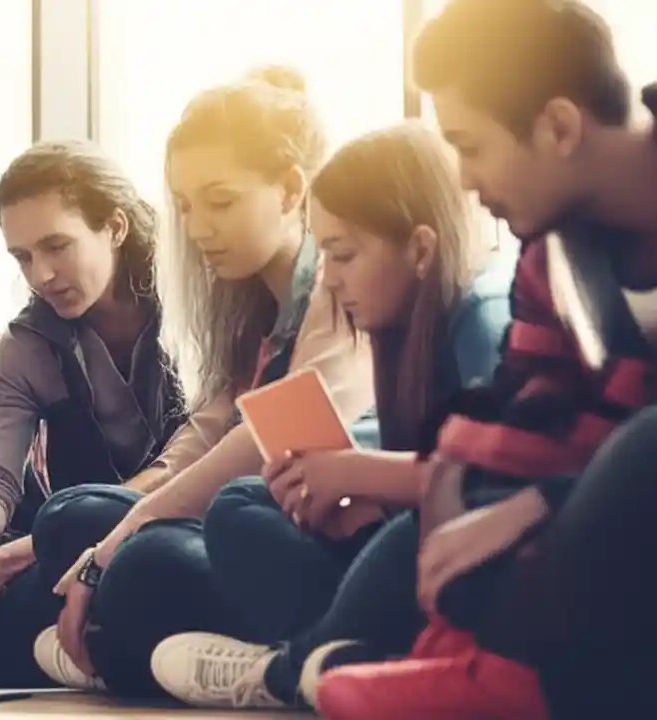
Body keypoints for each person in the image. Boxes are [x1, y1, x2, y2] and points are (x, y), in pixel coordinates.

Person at [309, 2, 657, 718]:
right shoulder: (551, 258)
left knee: (654, 442)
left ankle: (509, 675)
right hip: (614, 548)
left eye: (471, 146)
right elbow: (528, 399)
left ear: (559, 127)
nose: (466, 182)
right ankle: (459, 658)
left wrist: (544, 504)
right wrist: (464, 488)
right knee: (465, 501)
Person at [28, 67, 377, 694]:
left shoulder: (335, 283)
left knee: (140, 563)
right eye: (186, 207)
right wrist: (99, 538)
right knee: (67, 518)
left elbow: (257, 451)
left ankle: (163, 659)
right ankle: (145, 656)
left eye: (221, 202)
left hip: (296, 535)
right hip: (241, 519)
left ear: (291, 189)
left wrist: (110, 552)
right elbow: (204, 439)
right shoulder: (251, 309)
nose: (198, 228)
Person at [144, 121, 514, 710]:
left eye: (342, 255)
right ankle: (354, 654)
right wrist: (341, 494)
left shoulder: (484, 315)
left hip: (480, 561)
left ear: (421, 248)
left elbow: (496, 484)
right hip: (406, 549)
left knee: (403, 538)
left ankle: (290, 669)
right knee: (239, 505)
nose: (330, 278)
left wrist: (355, 474)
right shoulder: (400, 332)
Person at [0, 140, 186, 686]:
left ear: (115, 227)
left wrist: (9, 559)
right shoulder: (27, 346)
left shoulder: (195, 309)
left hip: (187, 525)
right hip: (77, 554)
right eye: (22, 256)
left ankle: (85, 652)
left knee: (68, 522)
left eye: (57, 246)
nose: (41, 274)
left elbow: (193, 469)